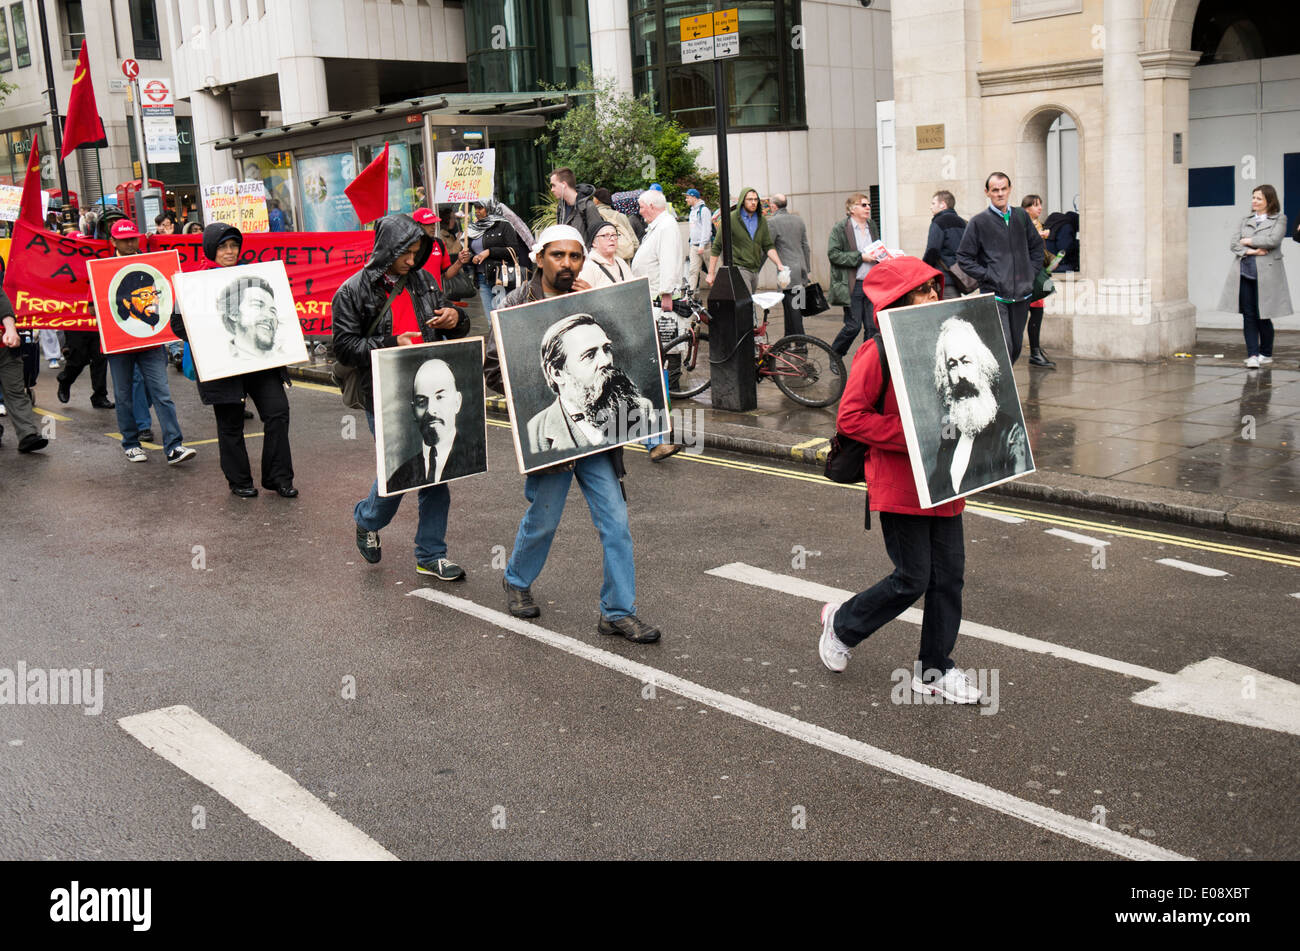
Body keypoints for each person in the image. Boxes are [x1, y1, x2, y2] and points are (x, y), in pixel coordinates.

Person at [484, 224, 662, 644]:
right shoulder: (514, 304)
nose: (568, 264)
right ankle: (516, 579)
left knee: (616, 524)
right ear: (539, 257)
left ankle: (617, 611)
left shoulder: (590, 294)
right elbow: (493, 370)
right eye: (558, 256)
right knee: (544, 520)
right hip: (554, 444)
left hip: (602, 439)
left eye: (575, 256)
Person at [817, 256, 982, 704]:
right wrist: (912, 434)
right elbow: (851, 419)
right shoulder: (879, 349)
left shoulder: (951, 342)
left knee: (948, 578)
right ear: (901, 299)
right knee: (913, 578)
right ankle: (843, 624)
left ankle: (934, 671)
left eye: (935, 289)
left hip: (945, 481)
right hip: (900, 482)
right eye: (923, 291)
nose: (934, 297)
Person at [333, 213, 470, 579]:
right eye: (405, 253)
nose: (412, 260)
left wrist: (454, 320)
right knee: (402, 469)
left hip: (429, 386)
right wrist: (392, 343)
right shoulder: (352, 290)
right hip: (385, 393)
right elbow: (345, 348)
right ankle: (367, 519)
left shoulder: (425, 280)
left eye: (417, 251)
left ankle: (430, 554)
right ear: (386, 250)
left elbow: (456, 324)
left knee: (436, 472)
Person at [172, 223, 298, 496]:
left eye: (233, 246)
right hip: (223, 365)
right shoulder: (192, 282)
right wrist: (208, 328)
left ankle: (279, 477)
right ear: (210, 249)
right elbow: (177, 326)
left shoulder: (255, 274)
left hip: (261, 363)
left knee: (277, 412)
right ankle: (239, 480)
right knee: (230, 425)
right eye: (223, 247)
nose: (230, 252)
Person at [98, 220, 196, 466]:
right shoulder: (102, 269)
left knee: (162, 393)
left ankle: (174, 446)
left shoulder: (152, 265)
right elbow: (95, 306)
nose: (131, 243)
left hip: (151, 344)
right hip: (119, 345)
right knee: (123, 395)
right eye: (125, 240)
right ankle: (131, 443)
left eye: (134, 238)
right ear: (114, 242)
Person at [927, 316, 1030, 502]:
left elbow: (1012, 498)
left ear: (982, 366)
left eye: (966, 362)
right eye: (952, 365)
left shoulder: (1011, 433)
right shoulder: (949, 424)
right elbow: (939, 480)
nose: (960, 376)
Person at [526, 313, 656, 455]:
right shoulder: (536, 430)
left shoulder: (641, 406)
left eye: (606, 349)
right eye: (589, 355)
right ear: (557, 373)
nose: (606, 361)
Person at [955, 172, 1044, 365]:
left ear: (1010, 189)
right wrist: (988, 276)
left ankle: (1002, 384)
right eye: (995, 190)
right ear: (987, 192)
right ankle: (1002, 391)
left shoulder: (1021, 216)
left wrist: (1032, 272)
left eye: (1004, 189)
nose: (1000, 193)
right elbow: (963, 257)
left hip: (1022, 294)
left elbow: (1036, 246)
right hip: (995, 296)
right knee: (1004, 346)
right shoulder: (978, 222)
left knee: (1017, 347)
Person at [630, 190, 686, 462]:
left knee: (656, 372)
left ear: (651, 206)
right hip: (645, 305)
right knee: (652, 372)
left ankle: (657, 437)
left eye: (641, 207)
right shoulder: (658, 226)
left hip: (655, 306)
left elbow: (668, 263)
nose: (639, 211)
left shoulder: (666, 226)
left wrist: (665, 294)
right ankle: (654, 436)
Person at [1218, 184, 1292, 369]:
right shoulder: (1245, 219)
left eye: (1259, 198)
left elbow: (1273, 240)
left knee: (1263, 315)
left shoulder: (1279, 219)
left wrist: (1249, 241)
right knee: (1249, 315)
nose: (1254, 201)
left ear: (1269, 200)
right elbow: (1234, 244)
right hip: (1245, 272)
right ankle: (1252, 354)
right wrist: (1252, 252)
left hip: (1266, 275)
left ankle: (1266, 353)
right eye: (1253, 198)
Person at [386, 357, 480, 493]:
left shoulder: (476, 456)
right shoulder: (401, 473)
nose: (431, 410)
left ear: (457, 402)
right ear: (413, 410)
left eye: (440, 397)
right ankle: (367, 514)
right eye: (422, 401)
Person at [826, 192, 886, 358]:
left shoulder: (872, 226)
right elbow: (833, 254)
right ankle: (835, 355)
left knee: (872, 327)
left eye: (868, 205)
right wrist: (860, 257)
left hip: (872, 284)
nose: (868, 208)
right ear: (852, 209)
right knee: (853, 326)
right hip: (853, 284)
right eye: (864, 205)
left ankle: (867, 360)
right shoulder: (841, 228)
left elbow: (876, 248)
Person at [706, 186, 784, 296]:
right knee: (747, 303)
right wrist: (710, 273)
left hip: (754, 270)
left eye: (755, 199)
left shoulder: (762, 220)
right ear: (743, 201)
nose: (753, 202)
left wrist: (779, 264)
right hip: (739, 268)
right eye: (750, 199)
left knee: (747, 304)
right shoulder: (730, 219)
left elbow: (768, 245)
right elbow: (717, 246)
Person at [464, 198, 532, 321]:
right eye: (475, 208)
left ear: (489, 208)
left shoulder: (504, 225)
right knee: (491, 321)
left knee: (504, 318)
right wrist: (471, 258)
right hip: (482, 278)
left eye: (480, 208)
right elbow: (468, 252)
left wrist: (490, 252)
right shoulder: (473, 228)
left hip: (501, 277)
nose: (477, 212)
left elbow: (514, 250)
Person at [0, 286, 49, 453]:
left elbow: (3, 302)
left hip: (6, 349)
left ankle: (28, 434)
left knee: (15, 391)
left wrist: (11, 329)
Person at [766, 194, 811, 337]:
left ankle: (799, 342)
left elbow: (767, 247)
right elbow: (806, 246)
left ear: (774, 206)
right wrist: (806, 268)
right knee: (796, 307)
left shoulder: (772, 222)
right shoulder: (799, 220)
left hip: (785, 271)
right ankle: (789, 338)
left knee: (792, 309)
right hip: (801, 269)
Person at [1019, 194, 1055, 369]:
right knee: (1029, 313)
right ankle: (1033, 352)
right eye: (1035, 205)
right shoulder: (1023, 224)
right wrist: (1038, 236)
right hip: (1028, 276)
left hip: (1035, 273)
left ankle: (1036, 351)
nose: (1039, 208)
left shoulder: (1038, 224)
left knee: (1037, 312)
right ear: (1026, 209)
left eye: (1040, 204)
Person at [922, 190, 967, 300]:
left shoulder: (938, 222)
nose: (930, 207)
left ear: (943, 205)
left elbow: (932, 251)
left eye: (933, 203)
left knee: (949, 314)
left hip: (945, 278)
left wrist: (923, 270)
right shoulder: (964, 223)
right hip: (960, 276)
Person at [413, 207, 468, 293]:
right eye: (428, 224)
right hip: (417, 297)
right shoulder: (409, 247)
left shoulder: (439, 243)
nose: (433, 227)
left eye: (434, 223)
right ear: (417, 225)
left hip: (437, 296)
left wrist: (459, 262)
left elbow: (446, 274)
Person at [550, 167, 604, 237]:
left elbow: (598, 237)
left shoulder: (588, 207)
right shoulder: (561, 208)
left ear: (564, 184)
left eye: (554, 185)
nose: (552, 190)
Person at [578, 220, 634, 288]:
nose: (612, 239)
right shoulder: (588, 267)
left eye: (614, 235)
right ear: (594, 243)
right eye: (605, 235)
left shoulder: (620, 262)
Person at [591, 188, 639, 263]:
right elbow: (635, 243)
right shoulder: (622, 216)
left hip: (602, 264)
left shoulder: (593, 216)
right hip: (624, 264)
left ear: (596, 200)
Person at [683, 188, 711, 293]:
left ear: (694, 197)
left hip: (705, 246)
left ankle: (720, 295)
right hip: (694, 246)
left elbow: (706, 229)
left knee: (712, 271)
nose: (686, 199)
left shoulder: (703, 210)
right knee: (692, 271)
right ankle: (691, 296)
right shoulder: (692, 211)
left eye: (688, 197)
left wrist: (702, 244)